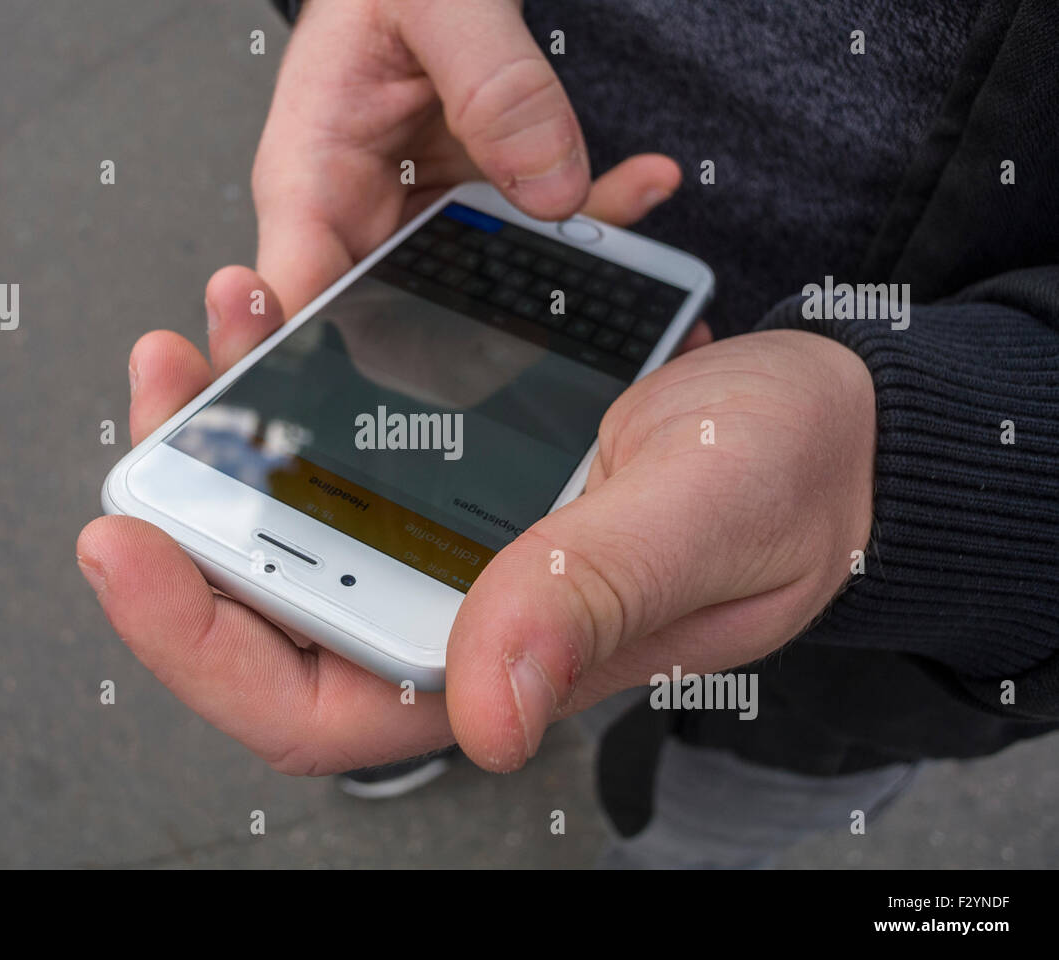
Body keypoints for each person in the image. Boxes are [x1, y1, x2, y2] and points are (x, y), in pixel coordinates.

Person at [76, 0, 1059, 866]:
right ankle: (445, 689)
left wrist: (902, 462)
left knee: (697, 819)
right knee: (474, 556)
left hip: (870, 621)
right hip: (462, 230)